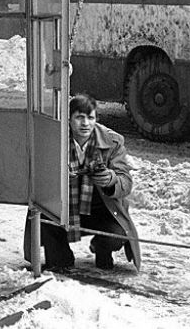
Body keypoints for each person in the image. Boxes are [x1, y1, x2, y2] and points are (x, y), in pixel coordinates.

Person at [24, 94, 141, 271]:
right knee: (47, 226)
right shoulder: (53, 139)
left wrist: (111, 180)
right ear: (68, 119)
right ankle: (60, 257)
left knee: (116, 235)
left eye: (90, 117)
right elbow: (37, 179)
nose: (85, 123)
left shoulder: (113, 142)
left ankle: (101, 248)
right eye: (79, 117)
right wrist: (59, 179)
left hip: (101, 211)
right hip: (64, 210)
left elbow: (126, 182)